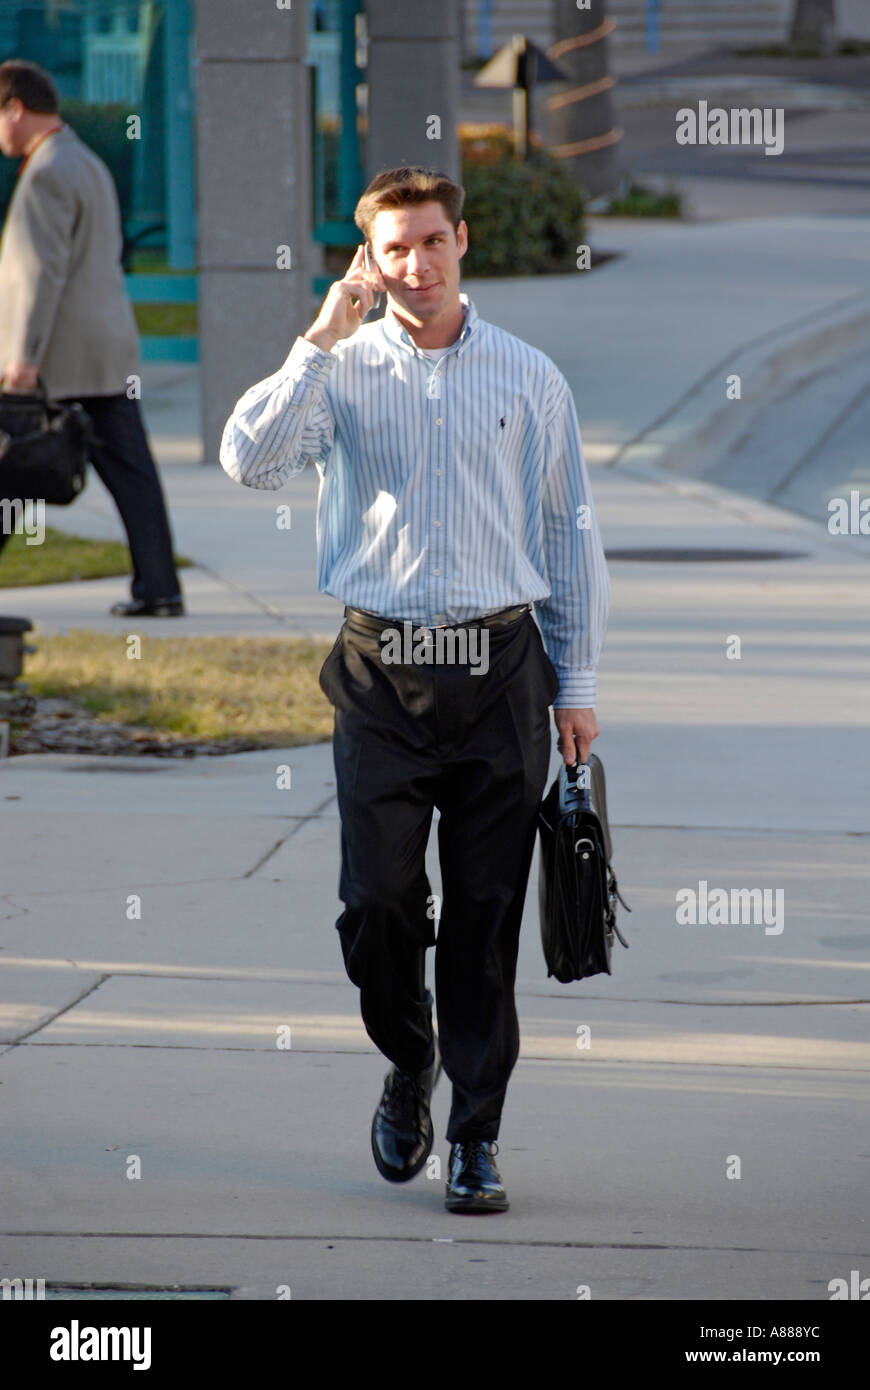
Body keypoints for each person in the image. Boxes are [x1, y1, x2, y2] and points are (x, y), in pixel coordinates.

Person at [220, 166, 609, 1213]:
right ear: (368, 259)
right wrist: (319, 335)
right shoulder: (340, 373)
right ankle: (409, 1057)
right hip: (380, 675)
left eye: (432, 242)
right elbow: (249, 462)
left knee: (484, 924)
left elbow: (569, 537)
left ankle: (476, 1136)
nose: (417, 265)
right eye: (394, 249)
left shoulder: (529, 376)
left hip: (502, 681)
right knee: (377, 906)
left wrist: (576, 684)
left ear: (462, 240)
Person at [0, 59, 184, 616]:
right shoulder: (85, 160)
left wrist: (23, 361)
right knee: (129, 472)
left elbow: (40, 273)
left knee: (15, 467)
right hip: (107, 353)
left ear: (15, 108)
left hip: (64, 359)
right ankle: (160, 587)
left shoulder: (48, 171)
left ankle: (159, 588)